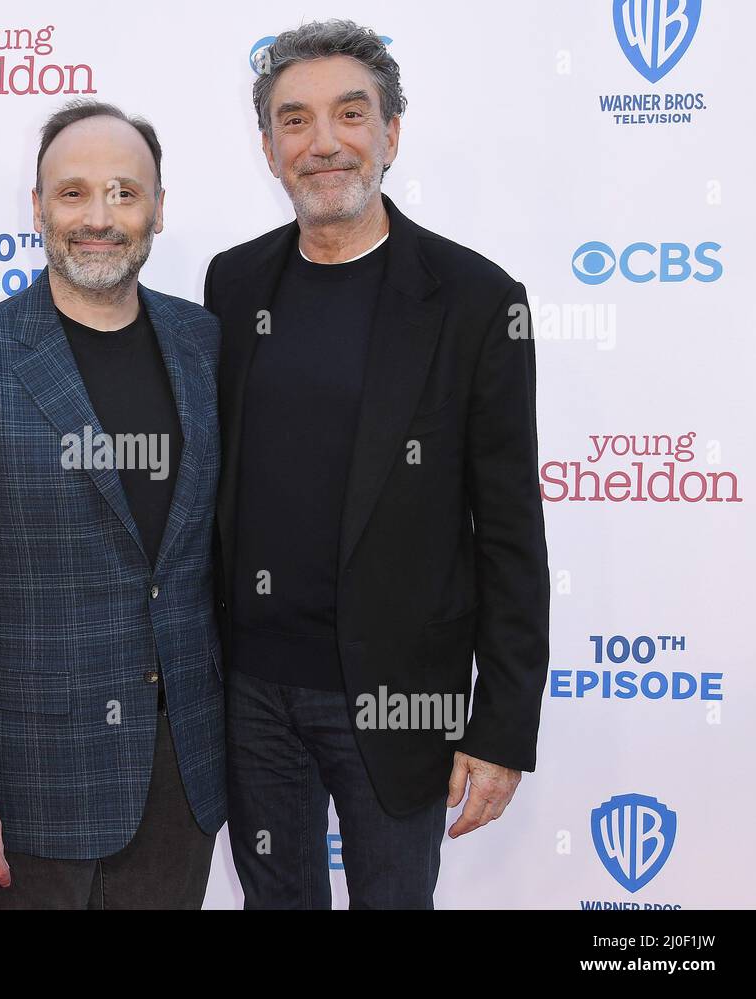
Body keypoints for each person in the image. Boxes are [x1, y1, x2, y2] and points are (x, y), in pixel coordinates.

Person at [206, 19, 550, 908]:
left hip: (399, 703)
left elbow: (510, 526)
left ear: (392, 133)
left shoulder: (476, 301)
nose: (323, 143)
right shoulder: (232, 285)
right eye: (295, 121)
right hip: (251, 694)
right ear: (270, 148)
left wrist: (503, 726)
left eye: (350, 114)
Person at [0, 100, 225, 909]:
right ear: (36, 210)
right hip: (29, 787)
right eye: (72, 194)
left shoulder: (205, 344)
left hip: (182, 778)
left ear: (158, 209)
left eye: (124, 193)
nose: (99, 219)